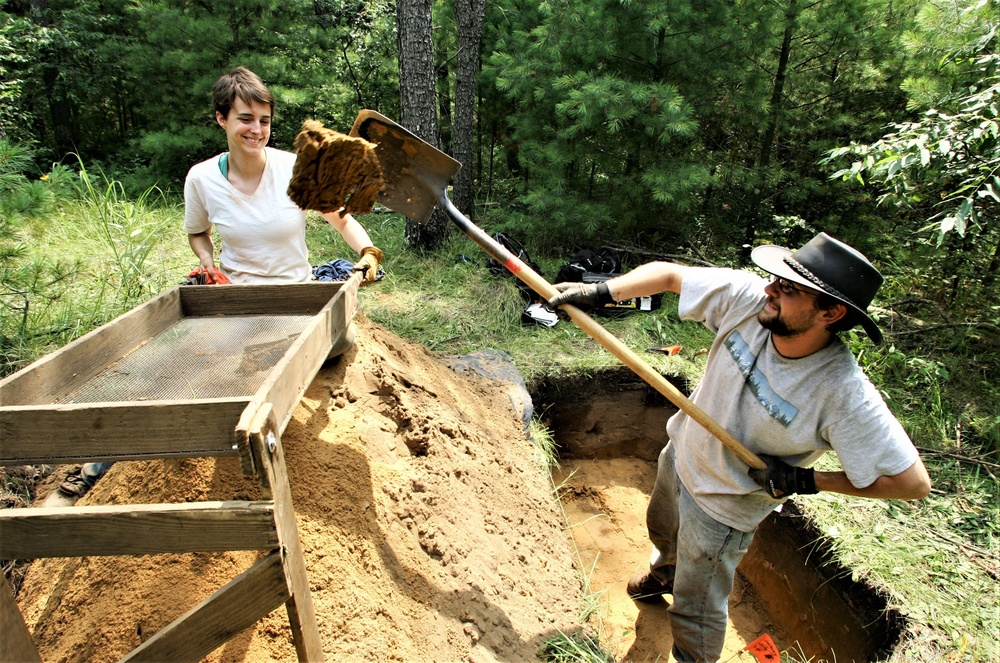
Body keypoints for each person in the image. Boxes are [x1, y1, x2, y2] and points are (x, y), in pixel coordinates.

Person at [547, 232, 931, 663]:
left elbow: (912, 483)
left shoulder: (841, 392)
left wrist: (806, 479)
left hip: (724, 508)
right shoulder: (752, 302)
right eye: (775, 279)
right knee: (662, 530)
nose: (770, 289)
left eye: (787, 288)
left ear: (831, 312)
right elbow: (672, 275)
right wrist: (601, 291)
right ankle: (664, 574)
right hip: (681, 454)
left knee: (697, 610)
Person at [47, 66, 382, 507]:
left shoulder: (291, 169)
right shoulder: (202, 179)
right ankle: (93, 471)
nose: (256, 129)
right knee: (178, 376)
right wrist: (206, 262)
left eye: (264, 120)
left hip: (297, 299)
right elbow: (197, 231)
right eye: (245, 118)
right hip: (235, 303)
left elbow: (338, 215)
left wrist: (368, 250)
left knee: (340, 339)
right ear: (222, 119)